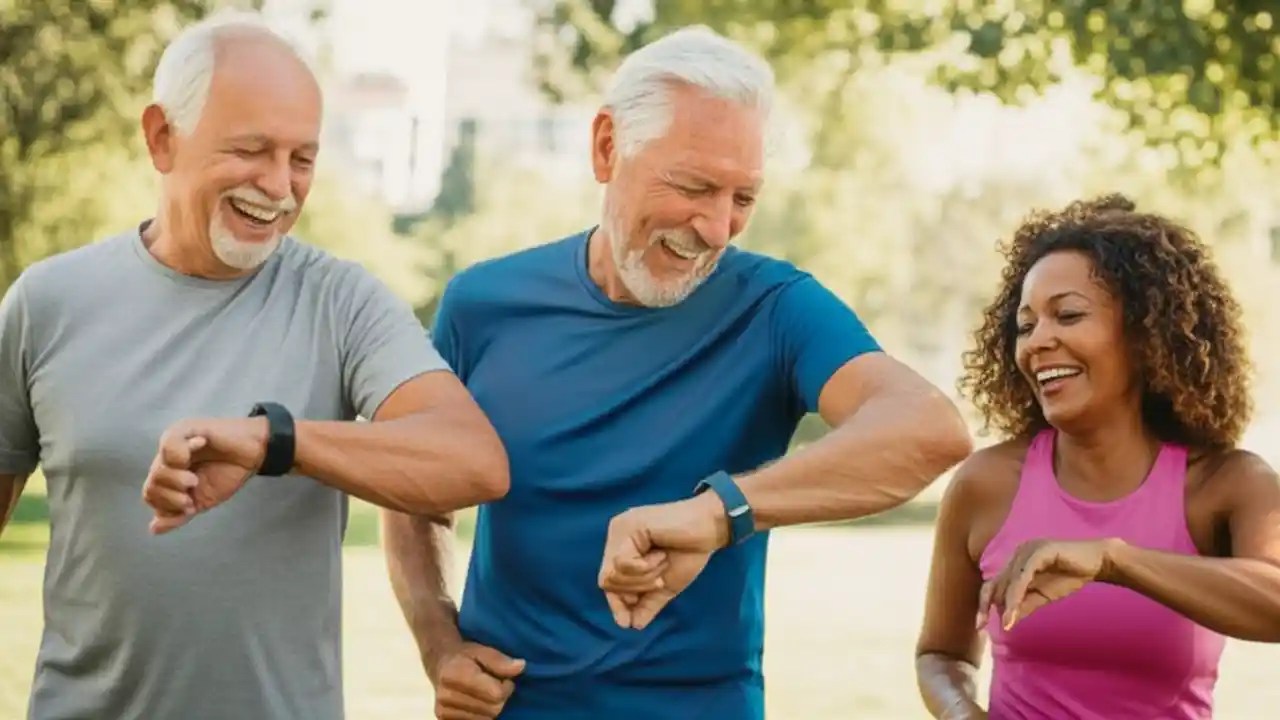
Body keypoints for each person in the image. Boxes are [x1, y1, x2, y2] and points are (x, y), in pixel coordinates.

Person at [381, 26, 973, 720]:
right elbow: (415, 493)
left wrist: (720, 512)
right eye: (693, 187)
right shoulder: (482, 306)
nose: (718, 228)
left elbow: (929, 430)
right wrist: (437, 643)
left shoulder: (777, 309)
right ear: (608, 147)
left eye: (742, 198)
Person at [0, 12, 509, 720]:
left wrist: (279, 442)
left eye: (302, 158)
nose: (279, 186)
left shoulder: (342, 302)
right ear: (161, 137)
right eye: (251, 150)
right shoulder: (45, 303)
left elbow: (473, 462)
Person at [914, 194, 1280, 720]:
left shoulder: (1225, 483)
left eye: (1067, 315)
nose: (1037, 342)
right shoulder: (986, 483)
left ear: (1145, 333)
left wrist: (1114, 560)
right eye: (1025, 325)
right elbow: (941, 653)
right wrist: (959, 711)